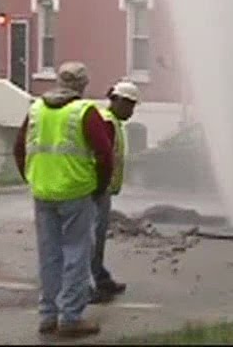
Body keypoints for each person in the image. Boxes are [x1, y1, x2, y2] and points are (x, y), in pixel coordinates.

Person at [13, 62, 113, 338]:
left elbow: (19, 147)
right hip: (76, 192)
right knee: (77, 254)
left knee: (49, 256)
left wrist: (32, 178)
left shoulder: (36, 109)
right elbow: (105, 153)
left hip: (43, 192)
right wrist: (100, 187)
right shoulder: (84, 112)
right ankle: (70, 317)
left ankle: (48, 315)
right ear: (83, 85)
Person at [91, 80, 139, 304]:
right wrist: (100, 187)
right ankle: (92, 282)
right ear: (118, 101)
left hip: (103, 189)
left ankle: (99, 276)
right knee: (94, 238)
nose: (131, 111)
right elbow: (101, 157)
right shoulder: (107, 122)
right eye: (129, 106)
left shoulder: (113, 122)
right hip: (97, 190)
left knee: (97, 237)